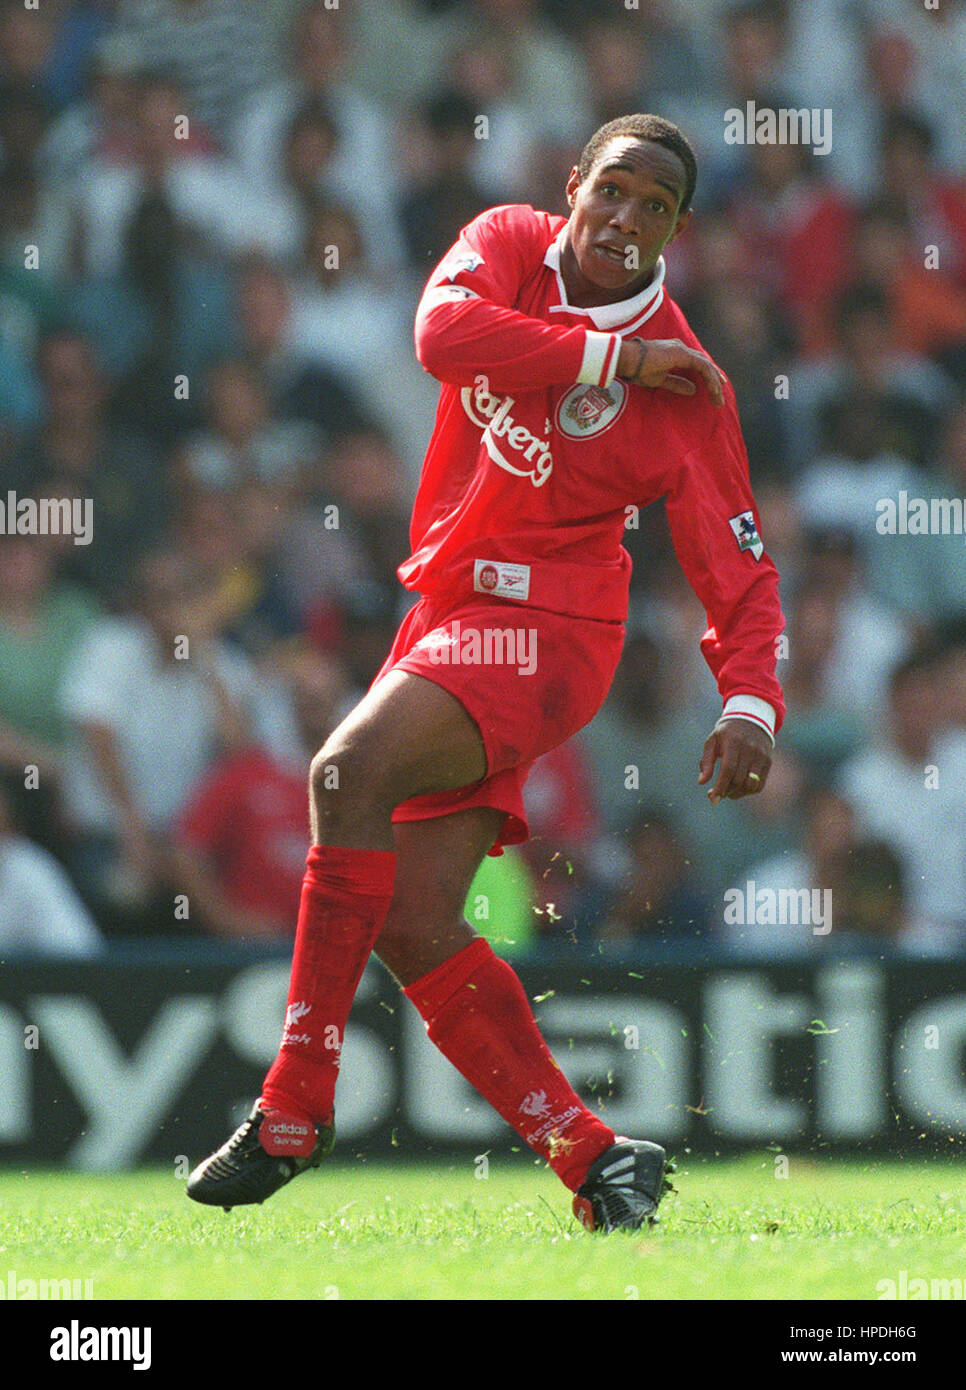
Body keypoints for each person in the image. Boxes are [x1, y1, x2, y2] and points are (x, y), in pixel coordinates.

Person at [187, 113, 785, 1232]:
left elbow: (739, 560)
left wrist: (751, 698)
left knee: (343, 775)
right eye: (614, 190)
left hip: (551, 629)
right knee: (415, 921)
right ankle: (596, 1157)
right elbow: (443, 335)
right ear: (574, 185)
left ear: (679, 232)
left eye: (656, 207)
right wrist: (613, 358)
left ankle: (292, 1107)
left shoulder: (687, 380)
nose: (626, 218)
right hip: (449, 611)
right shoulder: (510, 242)